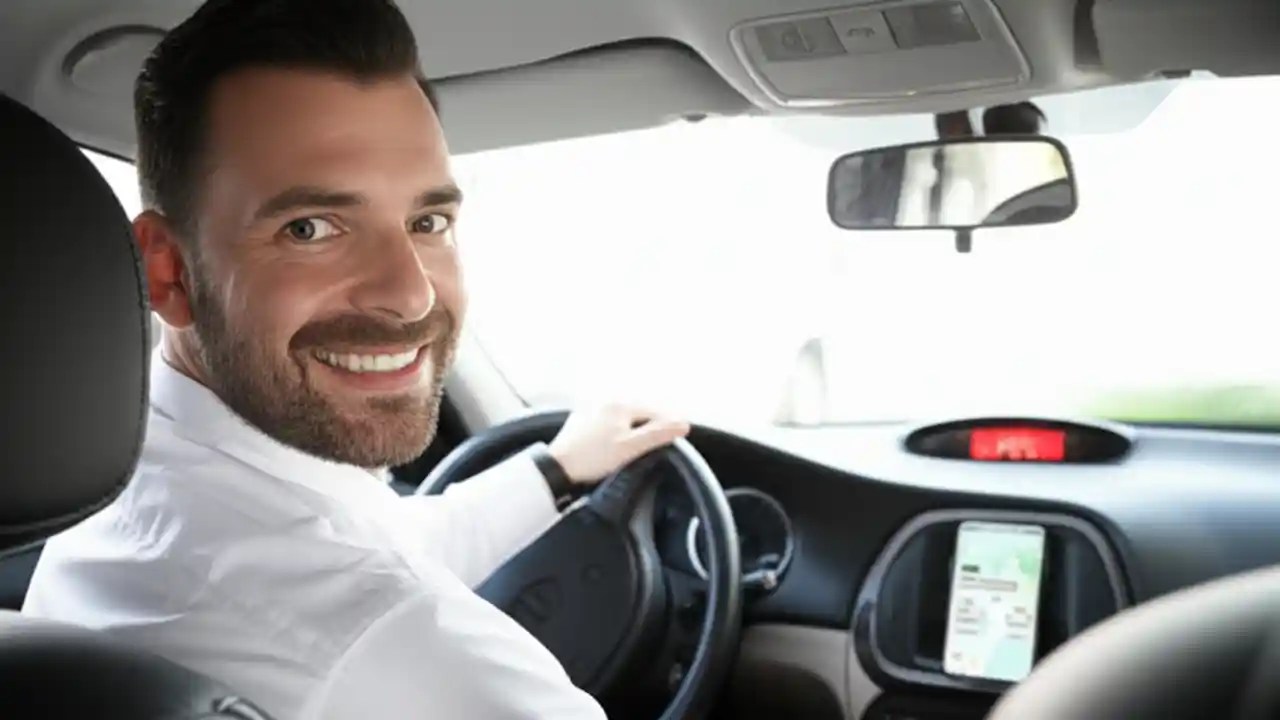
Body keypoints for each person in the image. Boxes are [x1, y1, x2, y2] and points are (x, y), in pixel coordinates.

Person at [21, 0, 688, 718]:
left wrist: (555, 469)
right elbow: (367, 591)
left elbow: (377, 539)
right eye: (311, 228)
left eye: (428, 222)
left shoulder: (139, 474)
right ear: (168, 273)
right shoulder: (425, 657)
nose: (409, 294)